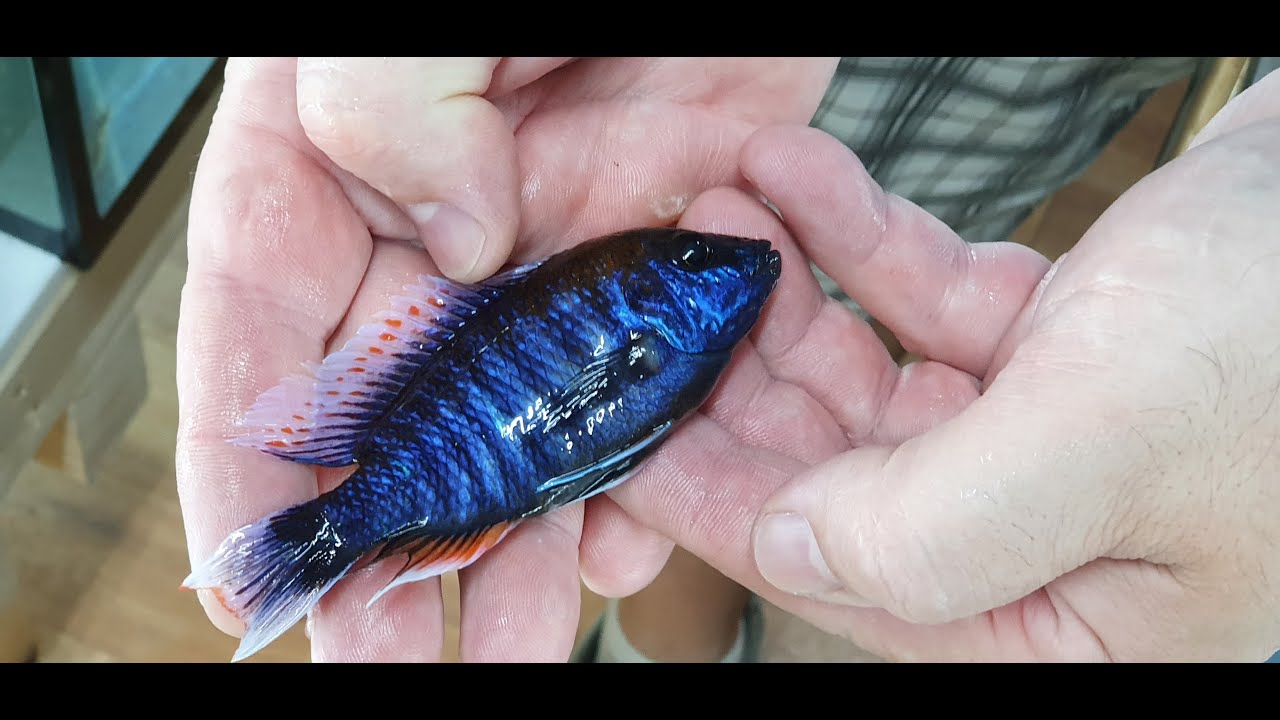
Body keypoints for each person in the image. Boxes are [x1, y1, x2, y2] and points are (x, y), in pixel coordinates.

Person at [176, 57, 1280, 662]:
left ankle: (672, 642)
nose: (733, 259)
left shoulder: (689, 316)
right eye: (696, 255)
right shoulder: (677, 299)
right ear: (659, 290)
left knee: (781, 427)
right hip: (731, 107)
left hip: (993, 130)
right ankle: (664, 645)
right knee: (733, 471)